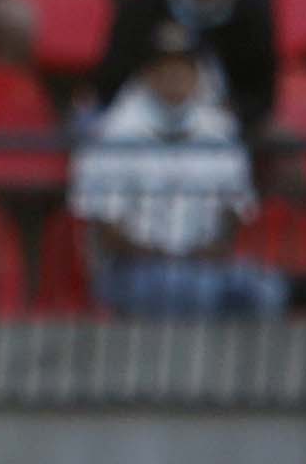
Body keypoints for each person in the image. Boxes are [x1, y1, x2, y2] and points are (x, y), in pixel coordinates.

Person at [75, 36, 278, 320]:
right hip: (131, 268)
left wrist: (212, 251)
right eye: (165, 69)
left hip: (204, 265)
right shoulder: (114, 132)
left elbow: (234, 212)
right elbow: (107, 232)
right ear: (147, 75)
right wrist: (170, 260)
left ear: (198, 75)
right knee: (197, 291)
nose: (175, 78)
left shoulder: (219, 130)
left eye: (183, 69)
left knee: (266, 291)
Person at [95, 0, 279, 126]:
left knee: (281, 139)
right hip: (144, 118)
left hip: (227, 120)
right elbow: (111, 81)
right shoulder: (141, 9)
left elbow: (262, 93)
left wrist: (232, 111)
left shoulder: (251, 16)